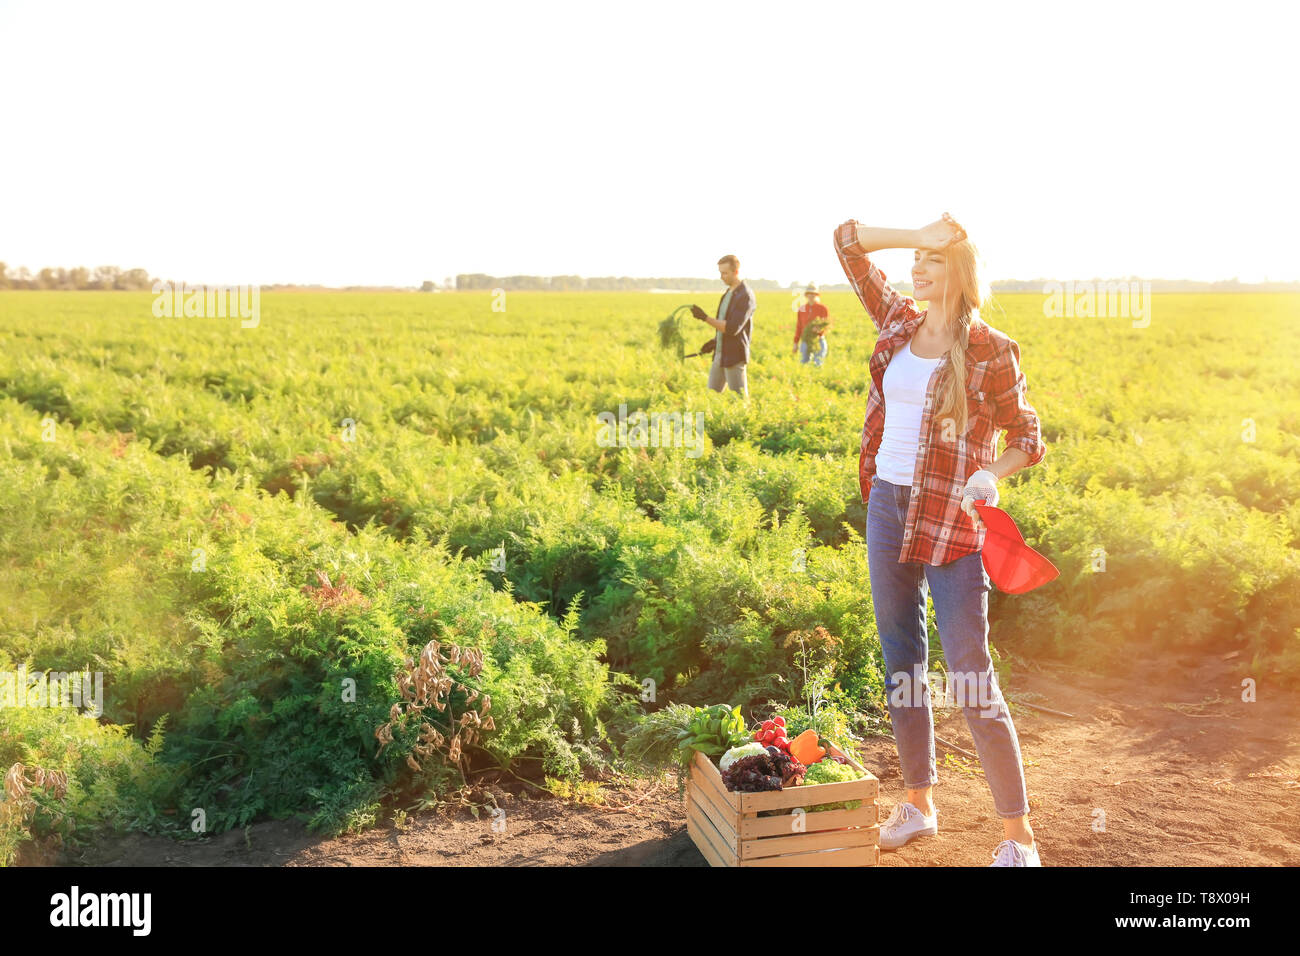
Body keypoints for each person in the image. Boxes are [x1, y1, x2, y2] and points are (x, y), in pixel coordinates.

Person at [833, 212, 1048, 867]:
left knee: (972, 677)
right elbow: (846, 240)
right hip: (888, 509)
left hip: (953, 521)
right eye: (915, 261)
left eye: (930, 261)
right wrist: (919, 231)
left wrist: (991, 472)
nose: (916, 270)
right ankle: (919, 805)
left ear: (957, 271)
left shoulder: (991, 348)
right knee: (903, 664)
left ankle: (1019, 840)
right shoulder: (896, 320)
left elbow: (1028, 438)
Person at [690, 254, 753, 398]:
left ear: (736, 272)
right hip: (720, 353)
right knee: (711, 397)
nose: (721, 277)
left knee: (740, 399)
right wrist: (715, 341)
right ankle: (710, 420)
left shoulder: (745, 296)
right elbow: (724, 323)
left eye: (725, 273)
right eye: (720, 273)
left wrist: (704, 318)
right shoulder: (728, 293)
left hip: (734, 355)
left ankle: (745, 420)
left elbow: (732, 328)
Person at [793, 282, 831, 367]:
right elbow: (799, 327)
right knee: (803, 363)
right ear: (806, 295)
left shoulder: (823, 308)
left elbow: (826, 325)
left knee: (818, 364)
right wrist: (795, 343)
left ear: (817, 295)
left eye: (813, 294)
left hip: (818, 340)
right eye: (809, 294)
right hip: (805, 340)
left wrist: (819, 330)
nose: (811, 296)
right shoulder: (802, 309)